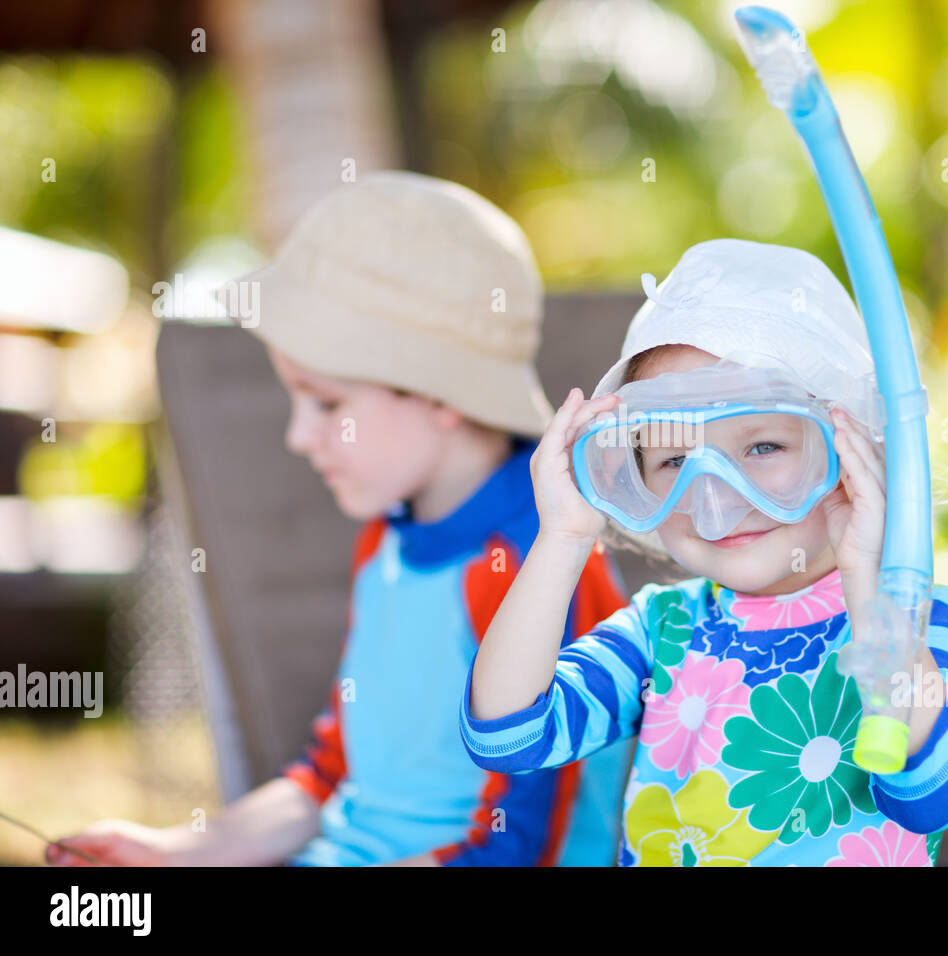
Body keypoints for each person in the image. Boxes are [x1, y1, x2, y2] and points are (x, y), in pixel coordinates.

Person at [48, 172, 632, 867]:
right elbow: (329, 776)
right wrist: (176, 853)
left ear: (438, 391)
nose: (299, 437)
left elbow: (526, 846)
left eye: (325, 403)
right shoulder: (384, 539)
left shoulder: (542, 563)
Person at [461, 238, 948, 866]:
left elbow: (937, 796)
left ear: (853, 449)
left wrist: (870, 587)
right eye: (674, 460)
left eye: (763, 447)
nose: (715, 496)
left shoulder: (914, 615)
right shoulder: (661, 630)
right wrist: (564, 538)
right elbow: (507, 737)